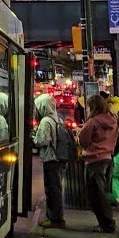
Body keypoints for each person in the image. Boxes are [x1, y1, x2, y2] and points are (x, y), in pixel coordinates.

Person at [79, 94, 119, 233]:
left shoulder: (93, 122)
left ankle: (106, 225)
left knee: (96, 195)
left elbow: (83, 140)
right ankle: (107, 223)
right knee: (102, 193)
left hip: (94, 160)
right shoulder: (113, 119)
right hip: (108, 159)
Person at [32, 94, 70, 229]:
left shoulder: (45, 121)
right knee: (57, 188)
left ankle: (55, 219)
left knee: (52, 189)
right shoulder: (57, 118)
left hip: (51, 159)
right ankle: (55, 217)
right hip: (59, 159)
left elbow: (43, 140)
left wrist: (34, 138)